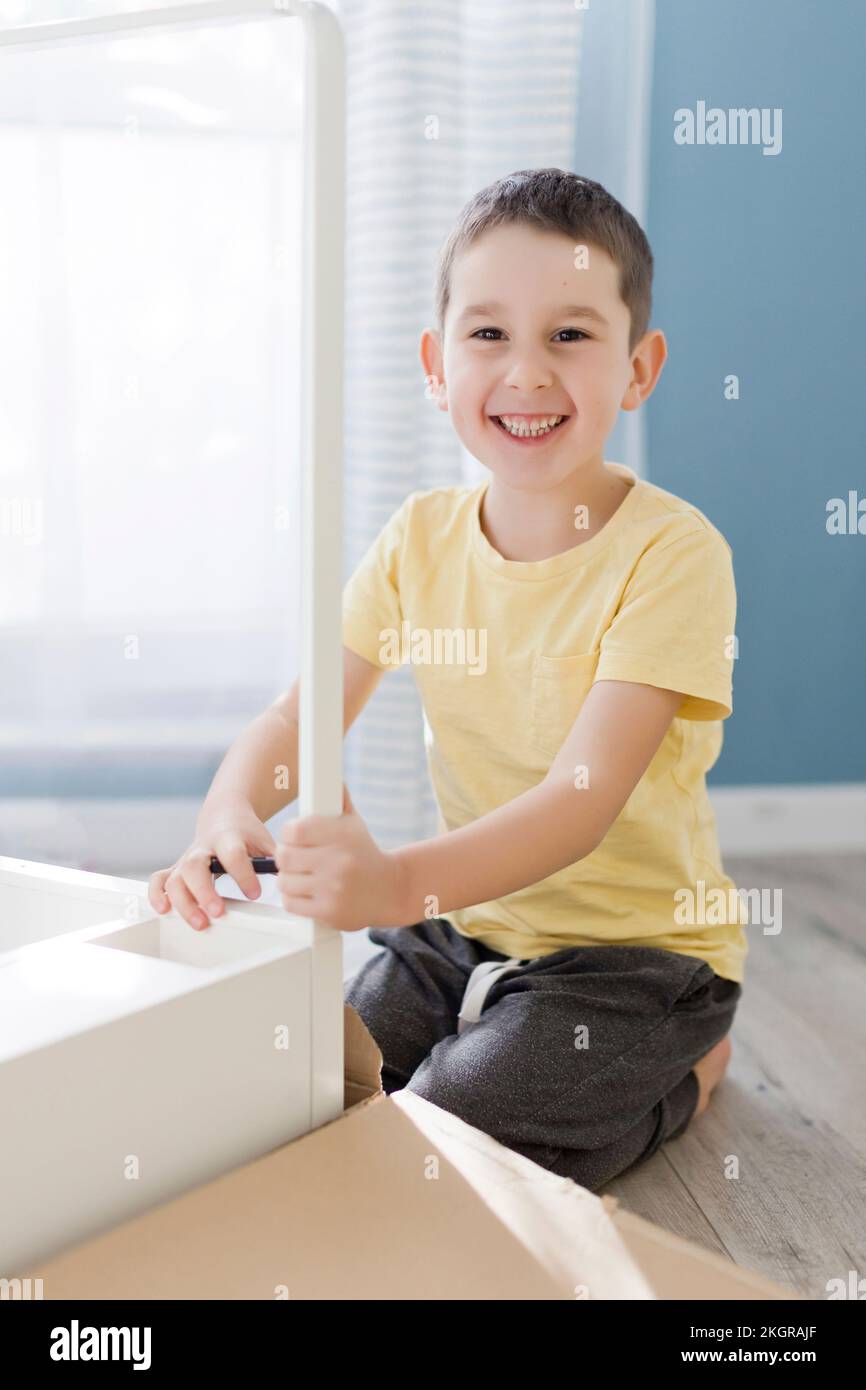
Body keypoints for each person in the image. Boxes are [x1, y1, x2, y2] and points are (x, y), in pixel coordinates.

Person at [149, 169, 746, 1193]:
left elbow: (579, 802)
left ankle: (688, 1065)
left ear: (636, 367)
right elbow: (303, 718)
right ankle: (482, 1027)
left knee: (446, 1126)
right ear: (434, 365)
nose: (525, 373)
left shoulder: (671, 554)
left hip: (634, 957)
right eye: (486, 335)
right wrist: (228, 810)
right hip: (461, 926)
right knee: (312, 1083)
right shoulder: (416, 540)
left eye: (568, 335)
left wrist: (387, 882)